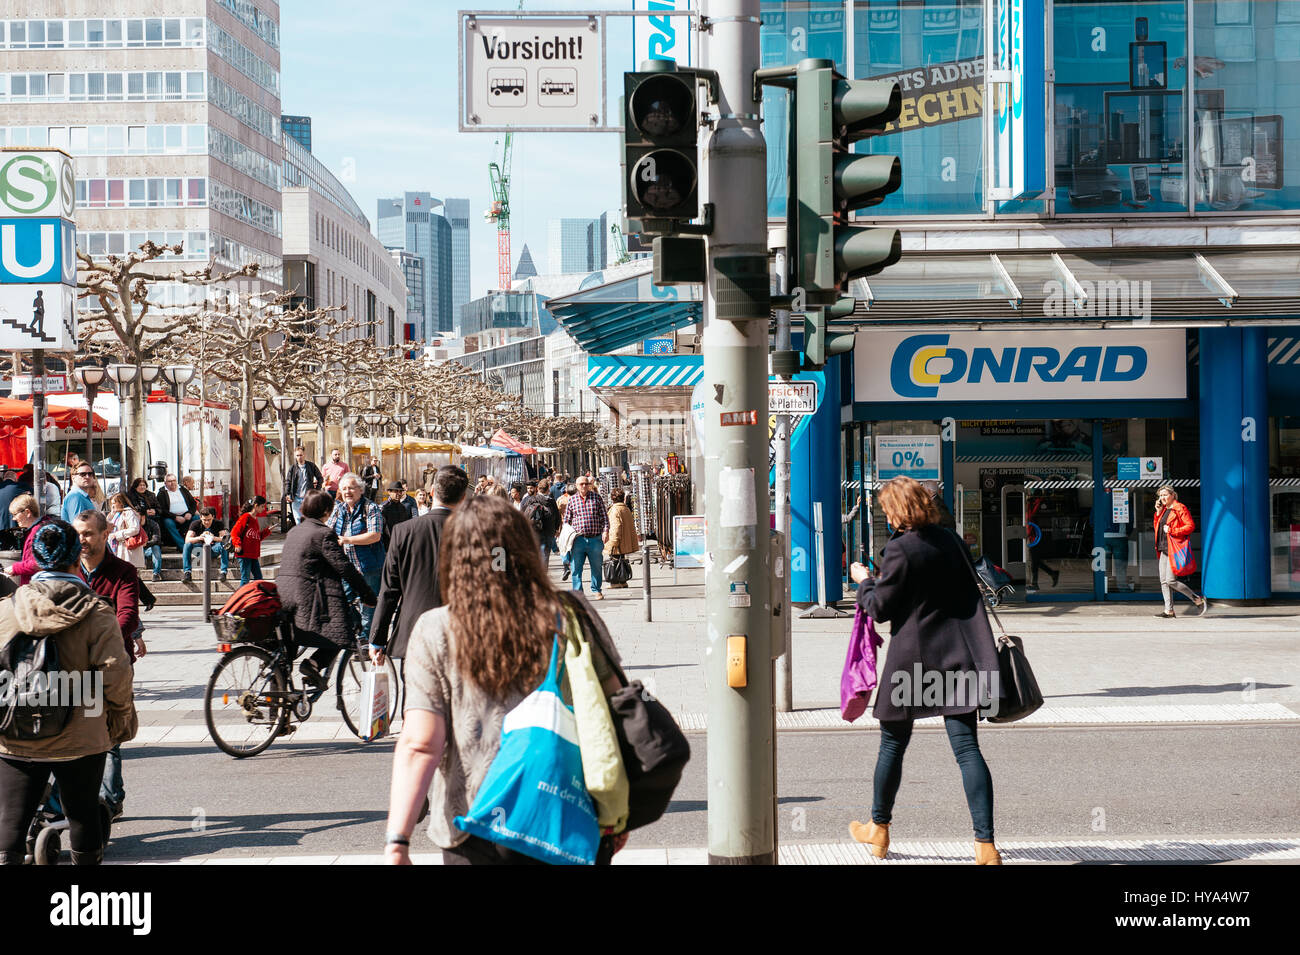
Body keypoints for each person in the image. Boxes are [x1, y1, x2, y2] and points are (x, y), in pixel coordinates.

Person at [384, 494, 626, 866]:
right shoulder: (571, 616)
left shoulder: (436, 630)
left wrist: (398, 840)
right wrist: (617, 811)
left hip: (472, 820)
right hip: (563, 810)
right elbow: (615, 708)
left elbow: (420, 742)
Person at [847, 476, 1003, 866]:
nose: (884, 515)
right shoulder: (951, 541)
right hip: (958, 658)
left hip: (911, 664)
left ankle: (878, 829)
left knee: (892, 746)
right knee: (967, 750)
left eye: (886, 509)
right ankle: (985, 846)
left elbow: (881, 608)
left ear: (897, 511)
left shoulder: (901, 549)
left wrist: (864, 582)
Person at [0, 520, 137, 865]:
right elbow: (114, 674)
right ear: (77, 558)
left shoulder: (7, 609)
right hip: (82, 720)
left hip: (15, 723)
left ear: (37, 560)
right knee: (83, 813)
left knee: (11, 820)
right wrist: (121, 722)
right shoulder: (97, 612)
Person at [72, 509, 145, 821]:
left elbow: (126, 615)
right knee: (76, 731)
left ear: (105, 534)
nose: (82, 540)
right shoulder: (68, 569)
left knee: (110, 731)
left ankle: (111, 800)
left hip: (111, 663)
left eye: (88, 533)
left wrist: (95, 643)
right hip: (73, 665)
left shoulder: (124, 572)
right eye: (78, 534)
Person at [278, 489, 377, 692]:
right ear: (326, 511)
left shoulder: (294, 531)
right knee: (344, 630)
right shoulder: (323, 533)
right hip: (306, 597)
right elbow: (344, 567)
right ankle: (313, 664)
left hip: (283, 595)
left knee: (284, 656)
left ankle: (280, 710)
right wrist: (366, 593)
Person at [372, 465, 468, 664]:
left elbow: (389, 590)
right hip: (463, 635)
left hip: (415, 633)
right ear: (464, 497)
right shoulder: (479, 532)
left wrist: (377, 639)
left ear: (432, 492)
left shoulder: (403, 532)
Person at [329, 474, 385, 641]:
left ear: (361, 490)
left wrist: (347, 540)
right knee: (341, 601)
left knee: (368, 606)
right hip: (347, 567)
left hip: (369, 567)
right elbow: (328, 530)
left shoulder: (371, 508)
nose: (347, 492)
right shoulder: (339, 509)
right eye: (344, 488)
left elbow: (375, 535)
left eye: (351, 488)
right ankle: (358, 627)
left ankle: (366, 640)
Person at [1154, 486, 1208, 618]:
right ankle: (1169, 610)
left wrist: (1173, 531)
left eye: (1165, 495)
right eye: (1161, 495)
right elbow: (1158, 528)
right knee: (1163, 581)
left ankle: (1196, 599)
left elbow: (1190, 526)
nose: (1163, 498)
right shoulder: (1164, 510)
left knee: (1170, 580)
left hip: (1174, 549)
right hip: (1163, 548)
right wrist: (1157, 512)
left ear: (1173, 495)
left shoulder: (1180, 508)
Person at [563, 475, 609, 600]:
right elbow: (566, 521)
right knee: (576, 568)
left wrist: (605, 532)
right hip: (578, 540)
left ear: (589, 485)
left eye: (585, 483)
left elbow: (604, 517)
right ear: (576, 486)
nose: (584, 486)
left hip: (595, 539)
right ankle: (578, 593)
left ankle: (596, 590)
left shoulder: (597, 498)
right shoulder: (572, 500)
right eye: (581, 484)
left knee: (597, 567)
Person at [6, 493, 54, 586]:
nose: (14, 519)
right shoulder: (37, 529)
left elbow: (40, 562)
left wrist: (15, 568)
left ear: (27, 512)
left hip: (38, 588)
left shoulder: (40, 531)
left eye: (15, 514)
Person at [231, 496, 274, 587]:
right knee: (245, 579)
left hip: (253, 554)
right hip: (244, 554)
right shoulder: (246, 517)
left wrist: (268, 531)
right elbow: (234, 532)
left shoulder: (255, 519)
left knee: (258, 578)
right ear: (256, 505)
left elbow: (257, 537)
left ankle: (257, 596)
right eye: (262, 506)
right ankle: (240, 598)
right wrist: (237, 544)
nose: (263, 509)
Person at [603, 487, 640, 589]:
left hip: (618, 540)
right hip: (625, 540)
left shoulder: (615, 510)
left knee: (615, 560)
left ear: (612, 498)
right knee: (621, 559)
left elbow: (616, 527)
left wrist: (613, 542)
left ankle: (615, 582)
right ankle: (623, 581)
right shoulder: (625, 508)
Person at [181, 507, 230, 583]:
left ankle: (223, 572)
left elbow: (224, 539)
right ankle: (187, 572)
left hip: (213, 549)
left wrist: (213, 538)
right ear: (200, 517)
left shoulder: (218, 523)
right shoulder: (195, 524)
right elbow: (187, 539)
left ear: (213, 517)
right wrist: (200, 538)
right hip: (200, 550)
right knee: (187, 545)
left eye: (209, 520)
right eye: (204, 520)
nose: (206, 522)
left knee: (224, 545)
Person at [521, 479, 560, 569]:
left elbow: (523, 512)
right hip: (548, 531)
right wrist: (556, 529)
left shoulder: (532, 499)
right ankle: (543, 574)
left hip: (533, 530)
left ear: (537, 489)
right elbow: (556, 516)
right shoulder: (551, 501)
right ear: (548, 488)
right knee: (545, 554)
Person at [156, 473, 198, 552]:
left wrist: (190, 513)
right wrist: (175, 517)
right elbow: (162, 509)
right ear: (165, 483)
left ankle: (197, 544)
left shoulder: (182, 489)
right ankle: (183, 546)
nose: (172, 483)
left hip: (186, 515)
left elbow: (193, 503)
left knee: (197, 519)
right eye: (169, 481)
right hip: (171, 517)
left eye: (174, 480)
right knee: (168, 522)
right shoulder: (162, 493)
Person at [1024, 496, 1059, 592]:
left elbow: (1030, 520)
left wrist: (1026, 535)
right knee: (1035, 561)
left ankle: (1035, 583)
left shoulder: (1032, 504)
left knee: (1034, 562)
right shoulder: (1033, 504)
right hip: (1035, 537)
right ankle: (1052, 574)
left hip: (1035, 538)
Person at [106, 493, 145, 571]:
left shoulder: (129, 512)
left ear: (121, 503)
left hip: (127, 548)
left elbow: (135, 529)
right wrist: (111, 514)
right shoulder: (116, 514)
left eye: (114, 503)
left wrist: (117, 535)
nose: (112, 505)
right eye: (112, 503)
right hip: (118, 547)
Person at [285, 446, 323, 524]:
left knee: (309, 520)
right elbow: (288, 481)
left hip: (308, 499)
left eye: (301, 455)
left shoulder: (311, 466)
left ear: (304, 455)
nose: (299, 457)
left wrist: (316, 491)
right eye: (297, 455)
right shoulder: (292, 468)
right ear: (295, 456)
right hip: (296, 499)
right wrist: (288, 494)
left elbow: (320, 478)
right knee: (298, 520)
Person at [380, 482, 416, 548]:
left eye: (400, 491)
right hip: (387, 545)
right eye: (396, 491)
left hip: (401, 543)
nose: (399, 494)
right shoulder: (383, 508)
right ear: (389, 492)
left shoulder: (402, 508)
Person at [139, 506, 163, 582]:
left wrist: (145, 544)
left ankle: (156, 573)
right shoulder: (134, 524)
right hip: (138, 548)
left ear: (143, 516)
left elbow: (156, 539)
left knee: (156, 547)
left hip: (149, 548)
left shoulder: (153, 524)